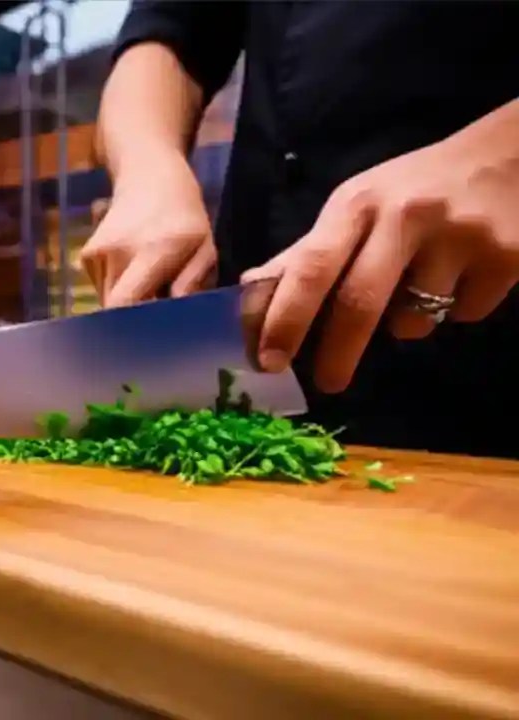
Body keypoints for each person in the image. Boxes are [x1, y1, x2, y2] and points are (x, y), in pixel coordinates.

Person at [80, 2, 519, 457]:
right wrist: (146, 170)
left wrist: (508, 155)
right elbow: (167, 33)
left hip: (484, 356)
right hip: (254, 354)